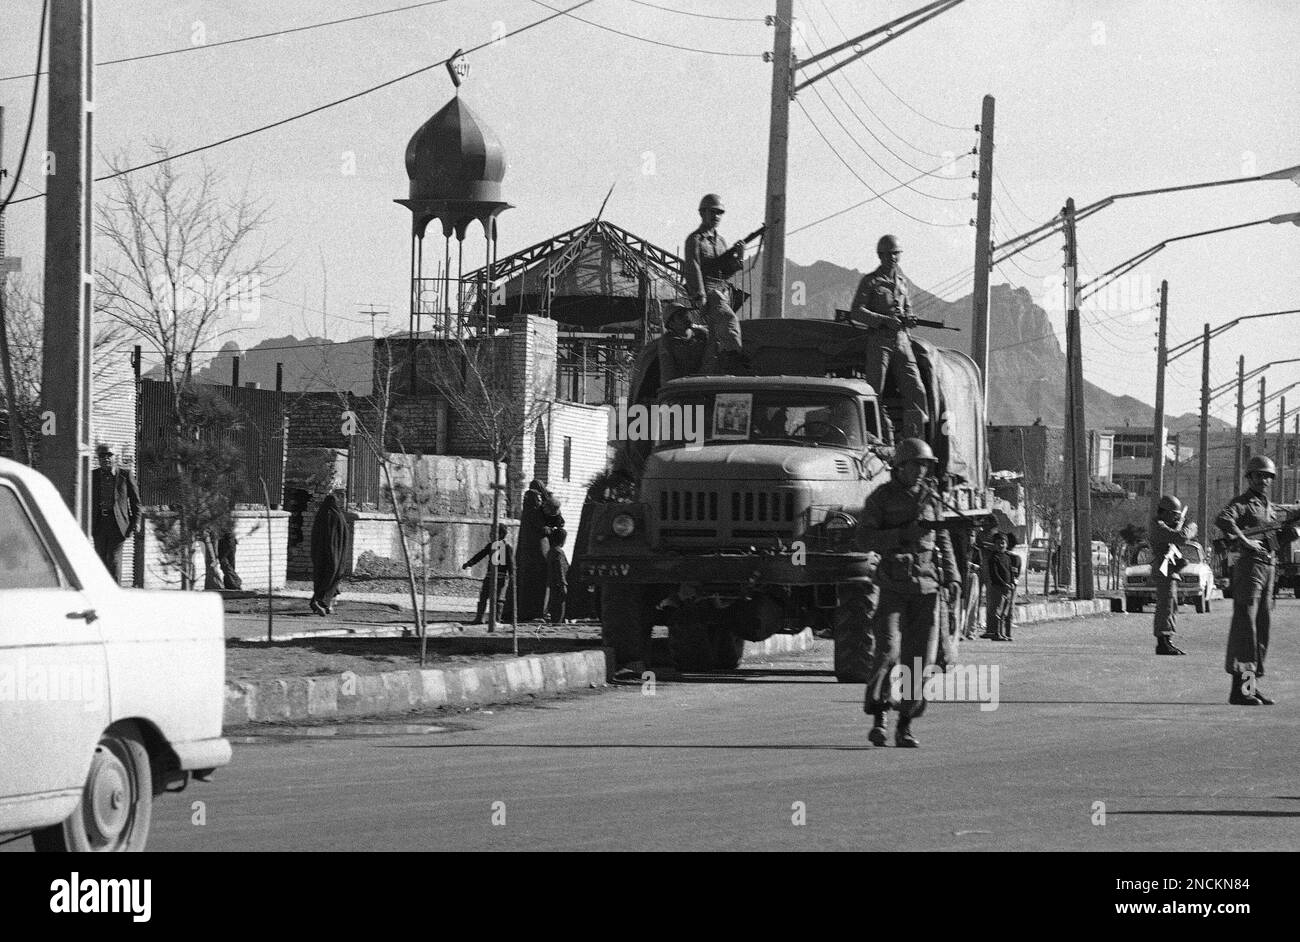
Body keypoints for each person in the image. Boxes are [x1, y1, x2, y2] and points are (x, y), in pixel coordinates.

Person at [858, 438, 962, 748]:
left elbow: (942, 537)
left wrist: (953, 575)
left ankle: (905, 724)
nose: (921, 471)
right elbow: (863, 538)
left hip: (928, 588)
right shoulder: (881, 498)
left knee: (921, 660)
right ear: (900, 467)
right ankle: (879, 716)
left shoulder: (932, 499)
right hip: (893, 586)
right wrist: (902, 535)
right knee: (887, 649)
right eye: (916, 464)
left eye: (925, 465)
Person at [1215, 456, 1283, 705]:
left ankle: (1251, 686)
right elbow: (1223, 519)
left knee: (1262, 627)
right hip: (1249, 567)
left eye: (1268, 476)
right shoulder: (1242, 503)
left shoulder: (1271, 507)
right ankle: (1241, 691)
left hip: (1268, 568)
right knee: (1246, 627)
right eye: (1258, 475)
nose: (1263, 480)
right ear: (1250, 478)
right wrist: (1246, 541)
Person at [847, 234, 928, 442]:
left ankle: (916, 439)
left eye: (895, 254)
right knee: (874, 391)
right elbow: (857, 312)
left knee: (916, 389)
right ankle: (877, 434)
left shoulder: (902, 282)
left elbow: (907, 309)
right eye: (888, 254)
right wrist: (883, 320)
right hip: (879, 341)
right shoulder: (871, 282)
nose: (892, 258)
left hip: (902, 340)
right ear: (880, 255)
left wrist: (909, 319)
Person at [683, 194, 747, 375]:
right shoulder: (695, 240)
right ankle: (735, 358)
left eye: (720, 212)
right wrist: (699, 297)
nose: (716, 216)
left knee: (714, 339)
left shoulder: (721, 242)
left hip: (722, 291)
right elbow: (693, 269)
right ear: (702, 213)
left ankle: (708, 375)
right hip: (709, 293)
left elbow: (725, 272)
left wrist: (739, 257)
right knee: (729, 320)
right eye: (713, 212)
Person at [1151, 494, 1196, 656]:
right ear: (1165, 513)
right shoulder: (1158, 526)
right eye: (1174, 515)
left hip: (1169, 570)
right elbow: (1180, 537)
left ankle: (1167, 639)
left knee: (1171, 606)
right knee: (1166, 606)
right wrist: (1189, 527)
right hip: (1164, 570)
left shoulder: (1164, 526)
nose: (1176, 518)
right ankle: (1163, 642)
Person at [90, 444, 141, 582]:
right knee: (100, 560)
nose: (106, 459)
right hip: (99, 524)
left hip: (118, 525)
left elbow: (136, 502)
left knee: (113, 560)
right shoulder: (92, 476)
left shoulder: (125, 475)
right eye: (102, 456)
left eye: (109, 455)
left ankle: (115, 592)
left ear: (115, 457)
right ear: (98, 459)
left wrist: (136, 523)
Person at [463, 524, 514, 625]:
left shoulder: (506, 547)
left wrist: (512, 574)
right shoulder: (491, 546)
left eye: (493, 533)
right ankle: (479, 618)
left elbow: (511, 562)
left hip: (501, 577)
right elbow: (480, 555)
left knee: (498, 599)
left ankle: (496, 620)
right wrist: (469, 563)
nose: (490, 535)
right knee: (483, 597)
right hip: (489, 576)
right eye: (491, 532)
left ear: (501, 534)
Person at [309, 489, 350, 616]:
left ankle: (325, 605)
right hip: (334, 553)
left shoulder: (321, 514)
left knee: (323, 576)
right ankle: (320, 601)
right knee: (334, 575)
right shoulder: (335, 515)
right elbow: (337, 537)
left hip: (319, 553)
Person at [515, 481, 550, 621]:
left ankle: (526, 611)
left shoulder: (527, 512)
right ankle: (537, 612)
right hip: (537, 554)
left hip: (527, 554)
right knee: (538, 584)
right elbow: (543, 528)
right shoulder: (535, 512)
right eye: (539, 499)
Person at [657, 304, 709, 384]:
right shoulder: (668, 342)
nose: (686, 317)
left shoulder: (701, 335)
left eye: (686, 314)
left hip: (704, 382)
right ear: (671, 324)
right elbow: (667, 372)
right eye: (680, 316)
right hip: (682, 387)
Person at [981, 533, 1015, 641]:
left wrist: (1012, 582)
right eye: (998, 543)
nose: (1001, 545)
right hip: (998, 588)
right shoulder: (993, 558)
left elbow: (1011, 570)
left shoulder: (1007, 557)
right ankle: (996, 633)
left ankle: (1002, 633)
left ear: (1006, 544)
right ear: (994, 545)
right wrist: (1003, 584)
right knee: (997, 612)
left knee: (1004, 612)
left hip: (1008, 588)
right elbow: (994, 574)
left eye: (1003, 543)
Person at [545, 528, 570, 624]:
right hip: (559, 583)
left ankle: (556, 620)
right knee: (559, 603)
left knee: (554, 602)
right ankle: (558, 621)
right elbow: (560, 569)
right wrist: (563, 583)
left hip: (553, 582)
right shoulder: (558, 552)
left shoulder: (551, 551)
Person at [1005, 532, 1023, 639]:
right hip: (1012, 585)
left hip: (1000, 585)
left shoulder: (1000, 555)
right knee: (1010, 608)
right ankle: (1008, 632)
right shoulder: (1017, 558)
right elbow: (1017, 574)